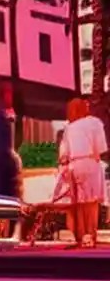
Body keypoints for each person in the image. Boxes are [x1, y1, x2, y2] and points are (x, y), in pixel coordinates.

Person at [55, 98, 107, 248]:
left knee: (78, 202)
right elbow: (101, 147)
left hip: (74, 164)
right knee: (92, 201)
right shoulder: (95, 123)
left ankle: (81, 235)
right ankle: (91, 234)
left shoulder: (69, 128)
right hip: (91, 162)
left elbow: (64, 154)